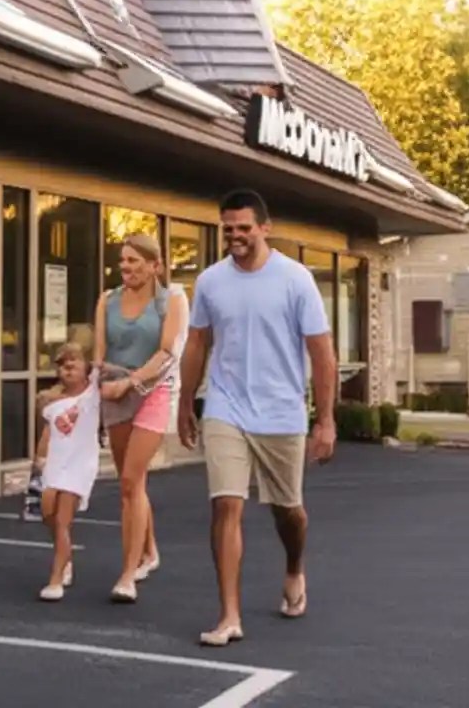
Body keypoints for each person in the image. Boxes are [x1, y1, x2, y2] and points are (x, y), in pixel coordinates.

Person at [177, 189, 338, 647]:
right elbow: (197, 343)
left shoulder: (295, 279)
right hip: (226, 405)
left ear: (265, 228)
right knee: (226, 503)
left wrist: (325, 420)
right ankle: (229, 615)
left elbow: (321, 352)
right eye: (228, 229)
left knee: (289, 513)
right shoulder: (210, 281)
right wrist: (186, 402)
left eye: (244, 228)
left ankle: (294, 567)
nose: (236, 236)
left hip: (282, 411)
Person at [93, 233, 189, 603]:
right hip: (114, 391)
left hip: (152, 391)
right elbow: (100, 352)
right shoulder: (107, 300)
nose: (126, 268)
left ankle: (128, 574)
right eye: (123, 261)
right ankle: (150, 552)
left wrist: (132, 382)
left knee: (131, 481)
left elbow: (167, 351)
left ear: (155, 266)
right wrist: (93, 388)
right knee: (132, 483)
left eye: (134, 261)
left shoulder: (172, 300)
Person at [32, 343, 100, 601]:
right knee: (48, 514)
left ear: (86, 368)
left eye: (74, 363)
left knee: (62, 520)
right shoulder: (50, 403)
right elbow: (48, 434)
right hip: (55, 464)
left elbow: (105, 366)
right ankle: (66, 557)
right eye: (62, 365)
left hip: (80, 464)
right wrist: (38, 461)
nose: (68, 369)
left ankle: (56, 578)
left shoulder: (92, 393)